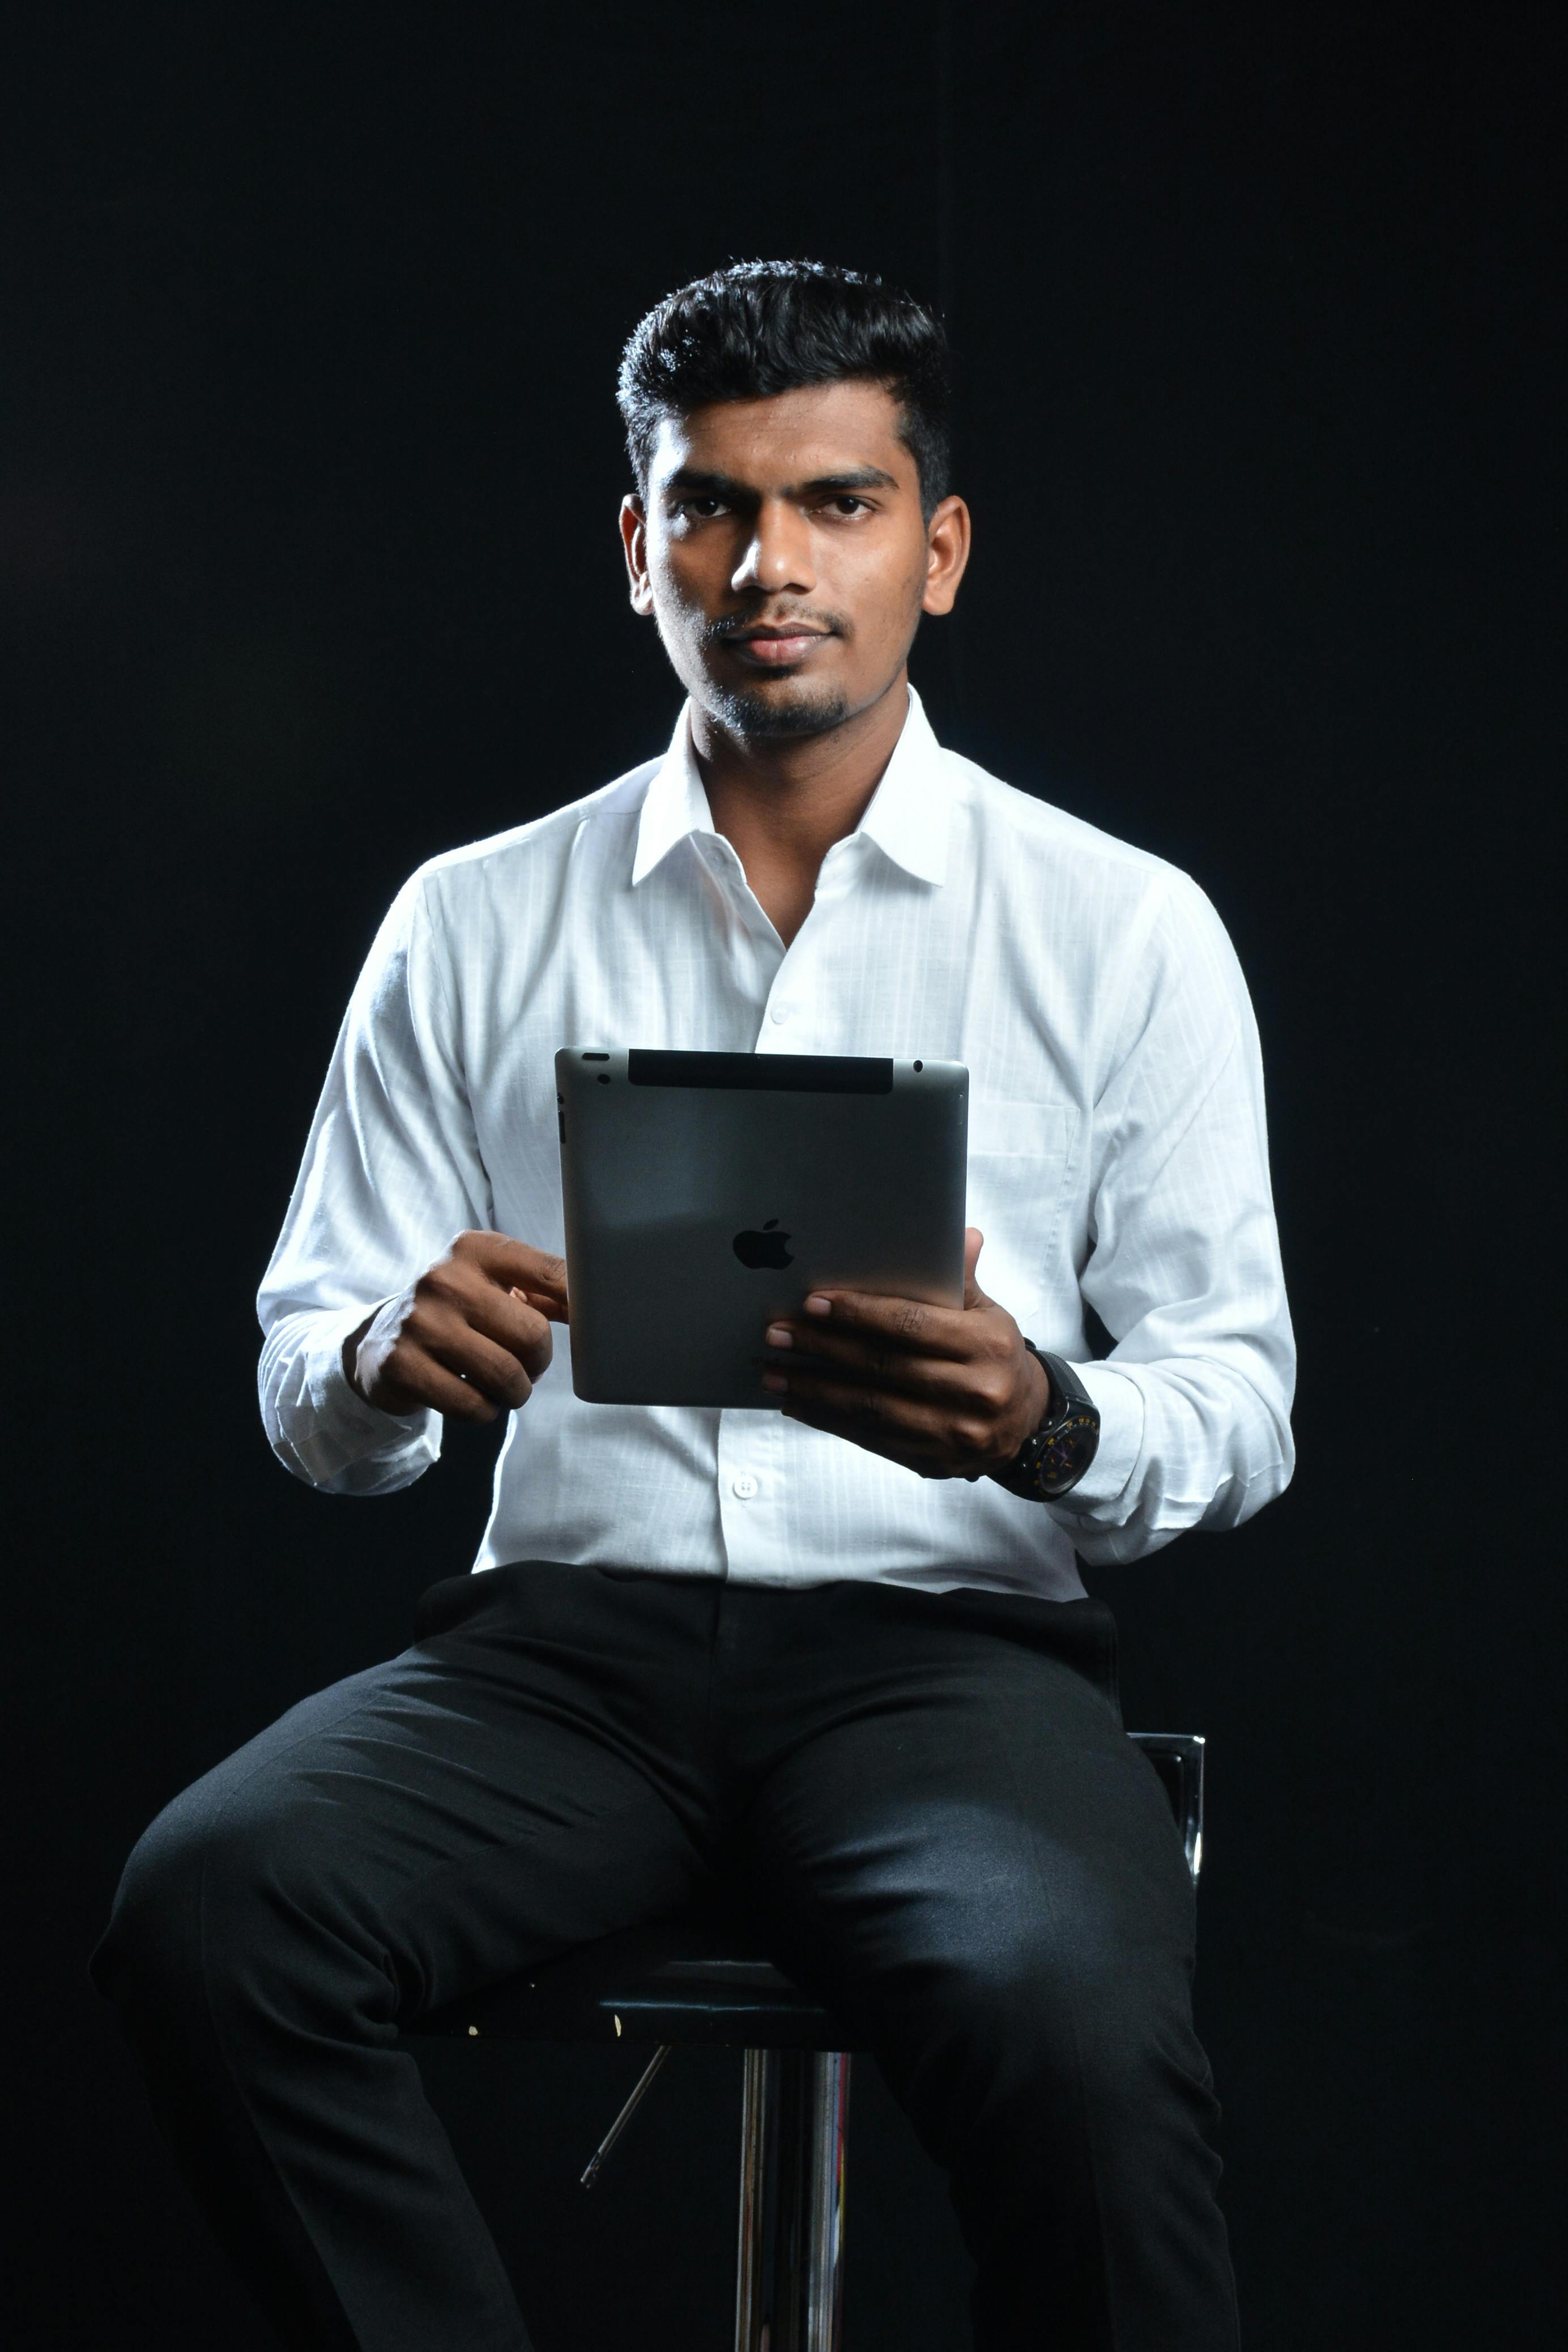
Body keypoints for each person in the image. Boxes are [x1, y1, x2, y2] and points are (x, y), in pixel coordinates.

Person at [95, 260, 1295, 2351]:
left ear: (942, 549)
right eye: (713, 507)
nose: (769, 565)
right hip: (560, 1669)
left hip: (951, 1666)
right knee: (209, 1914)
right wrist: (387, 1365)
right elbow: (309, 1374)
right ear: (638, 545)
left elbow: (1241, 1406)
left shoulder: (1127, 931)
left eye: (836, 505)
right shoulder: (470, 917)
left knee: (1075, 2038)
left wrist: (1044, 1416)